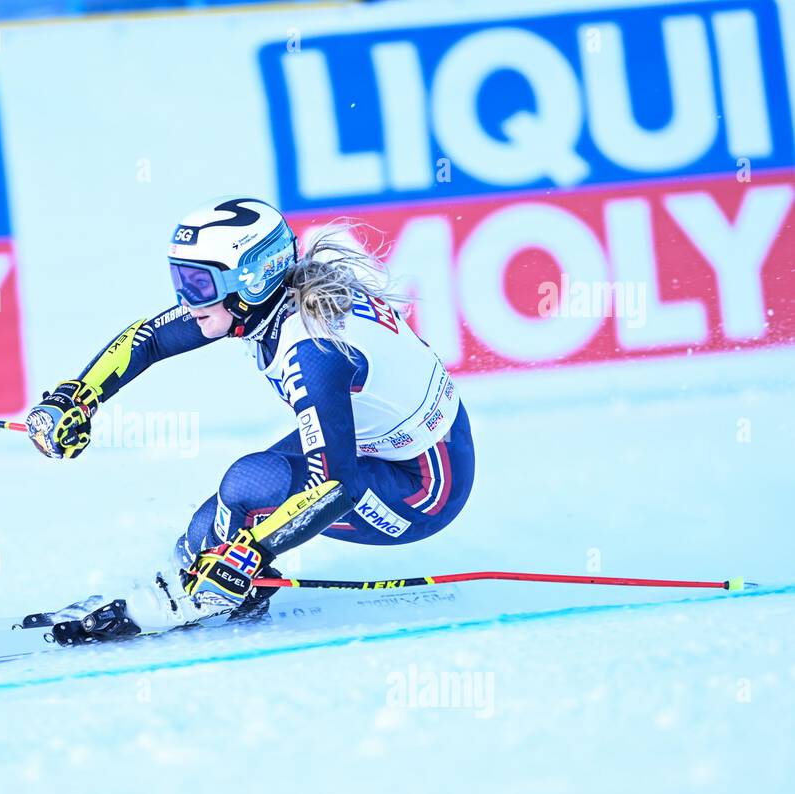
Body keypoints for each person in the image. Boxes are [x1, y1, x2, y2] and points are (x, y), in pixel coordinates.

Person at [25, 197, 474, 635]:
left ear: (254, 280)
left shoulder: (312, 351)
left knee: (246, 488)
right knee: (210, 526)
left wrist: (248, 554)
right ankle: (192, 584)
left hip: (425, 487)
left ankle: (197, 596)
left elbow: (338, 487)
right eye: (180, 279)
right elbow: (151, 339)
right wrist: (78, 397)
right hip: (376, 443)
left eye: (198, 284)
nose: (186, 299)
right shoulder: (261, 305)